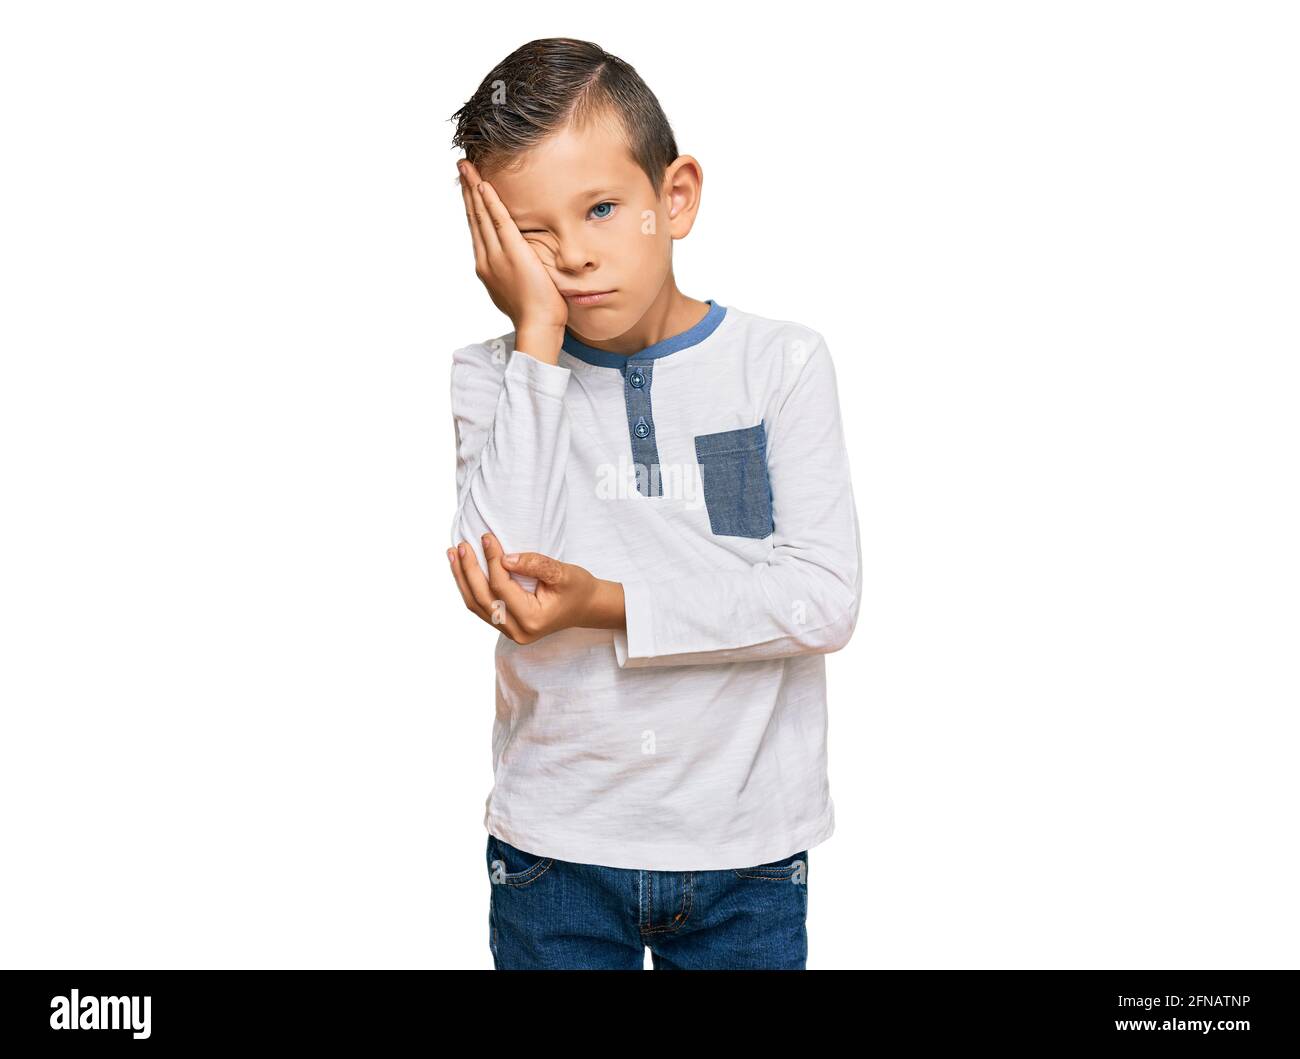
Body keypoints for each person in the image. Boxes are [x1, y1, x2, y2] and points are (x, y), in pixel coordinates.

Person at [446, 37, 862, 970]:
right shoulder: (495, 376)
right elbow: (500, 581)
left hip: (746, 853)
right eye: (532, 233)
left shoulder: (778, 365)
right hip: (555, 850)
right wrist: (538, 338)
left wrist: (608, 603)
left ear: (674, 198)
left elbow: (822, 598)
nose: (574, 256)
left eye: (600, 209)